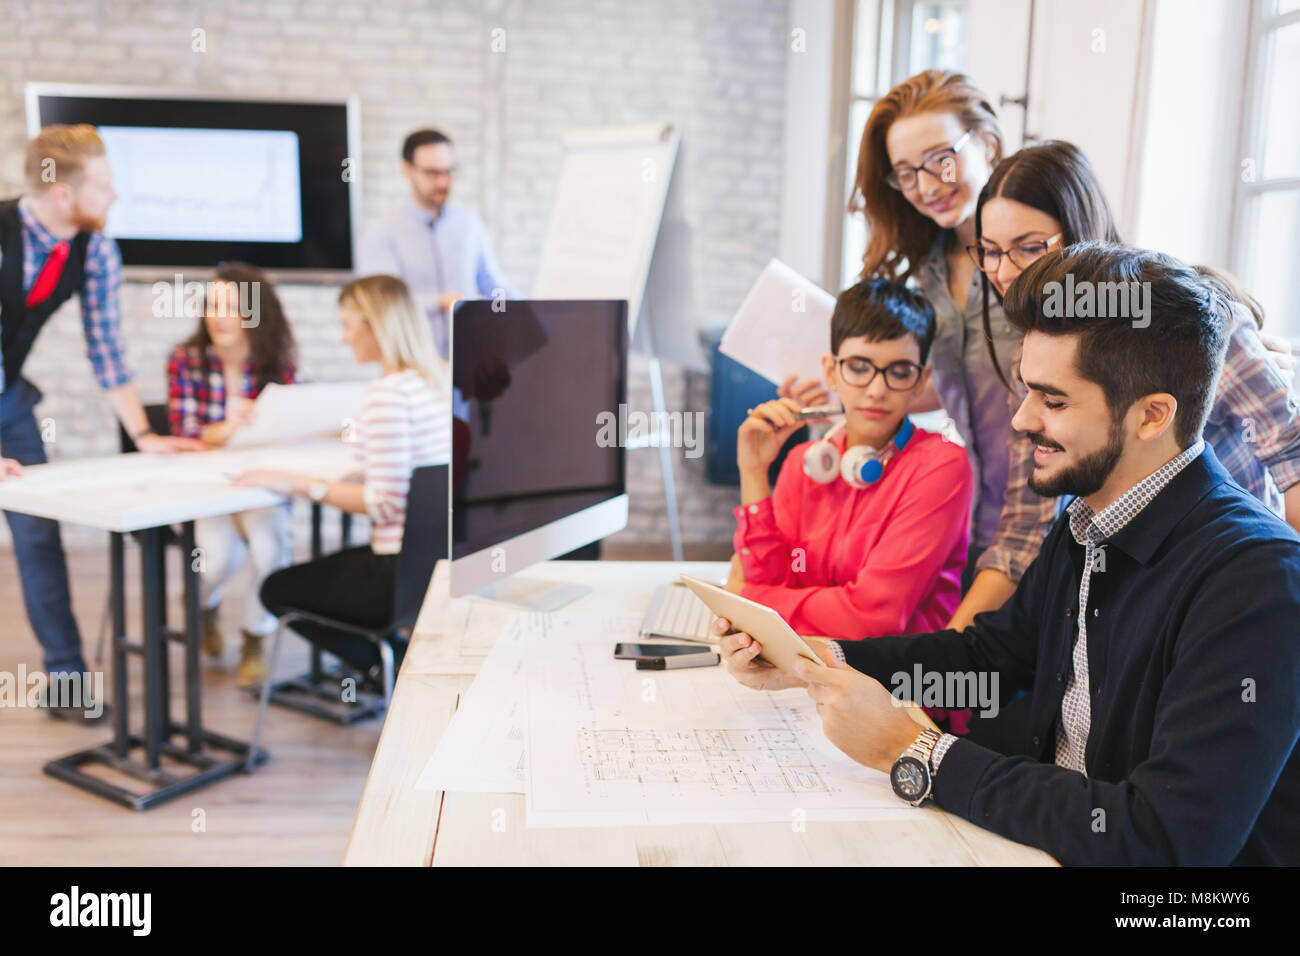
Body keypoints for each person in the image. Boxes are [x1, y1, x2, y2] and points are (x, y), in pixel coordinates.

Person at [717, 243, 1300, 865]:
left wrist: (916, 753)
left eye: (1052, 401)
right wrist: (819, 658)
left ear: (1152, 416)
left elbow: (1166, 840)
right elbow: (990, 659)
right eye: (1025, 391)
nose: (1020, 420)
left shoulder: (1259, 580)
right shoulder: (1086, 519)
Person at [783, 72, 1295, 631]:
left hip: (1221, 576)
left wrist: (1276, 589)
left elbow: (1287, 454)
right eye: (991, 252)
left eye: (1030, 248)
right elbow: (1023, 515)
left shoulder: (1176, 315)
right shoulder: (1006, 325)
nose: (1006, 271)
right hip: (1083, 570)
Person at [0, 124, 203, 719]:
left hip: (9, 402)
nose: (115, 198)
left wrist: (144, 435)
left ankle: (66, 684)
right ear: (64, 194)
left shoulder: (95, 250)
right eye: (106, 187)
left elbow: (107, 350)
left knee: (38, 534)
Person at [730, 280, 971, 649]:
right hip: (809, 667)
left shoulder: (942, 467)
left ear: (921, 380)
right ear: (831, 372)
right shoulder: (803, 463)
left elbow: (873, 617)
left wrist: (746, 599)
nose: (876, 390)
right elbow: (776, 577)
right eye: (859, 367)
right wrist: (753, 473)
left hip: (898, 691)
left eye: (900, 371)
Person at [236, 275, 450, 682]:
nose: (343, 338)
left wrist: (298, 483)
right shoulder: (436, 379)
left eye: (348, 325)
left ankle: (383, 667)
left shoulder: (388, 393)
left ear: (375, 326)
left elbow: (382, 503)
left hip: (394, 575)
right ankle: (393, 662)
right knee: (327, 567)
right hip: (436, 565)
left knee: (276, 590)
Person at [167, 261, 298, 687]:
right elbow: (183, 435)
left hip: (260, 482)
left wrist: (269, 421)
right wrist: (225, 429)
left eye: (232, 307)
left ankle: (255, 637)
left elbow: (297, 427)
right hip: (207, 485)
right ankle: (204, 606)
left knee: (270, 550)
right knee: (216, 559)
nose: (219, 317)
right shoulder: (186, 360)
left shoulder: (275, 364)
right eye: (213, 306)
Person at [357, 128, 511, 360]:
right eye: (432, 173)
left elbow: (493, 283)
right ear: (407, 170)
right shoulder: (382, 230)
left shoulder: (469, 224)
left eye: (449, 171)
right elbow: (379, 300)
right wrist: (438, 302)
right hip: (411, 363)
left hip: (470, 359)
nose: (443, 182)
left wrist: (528, 311)